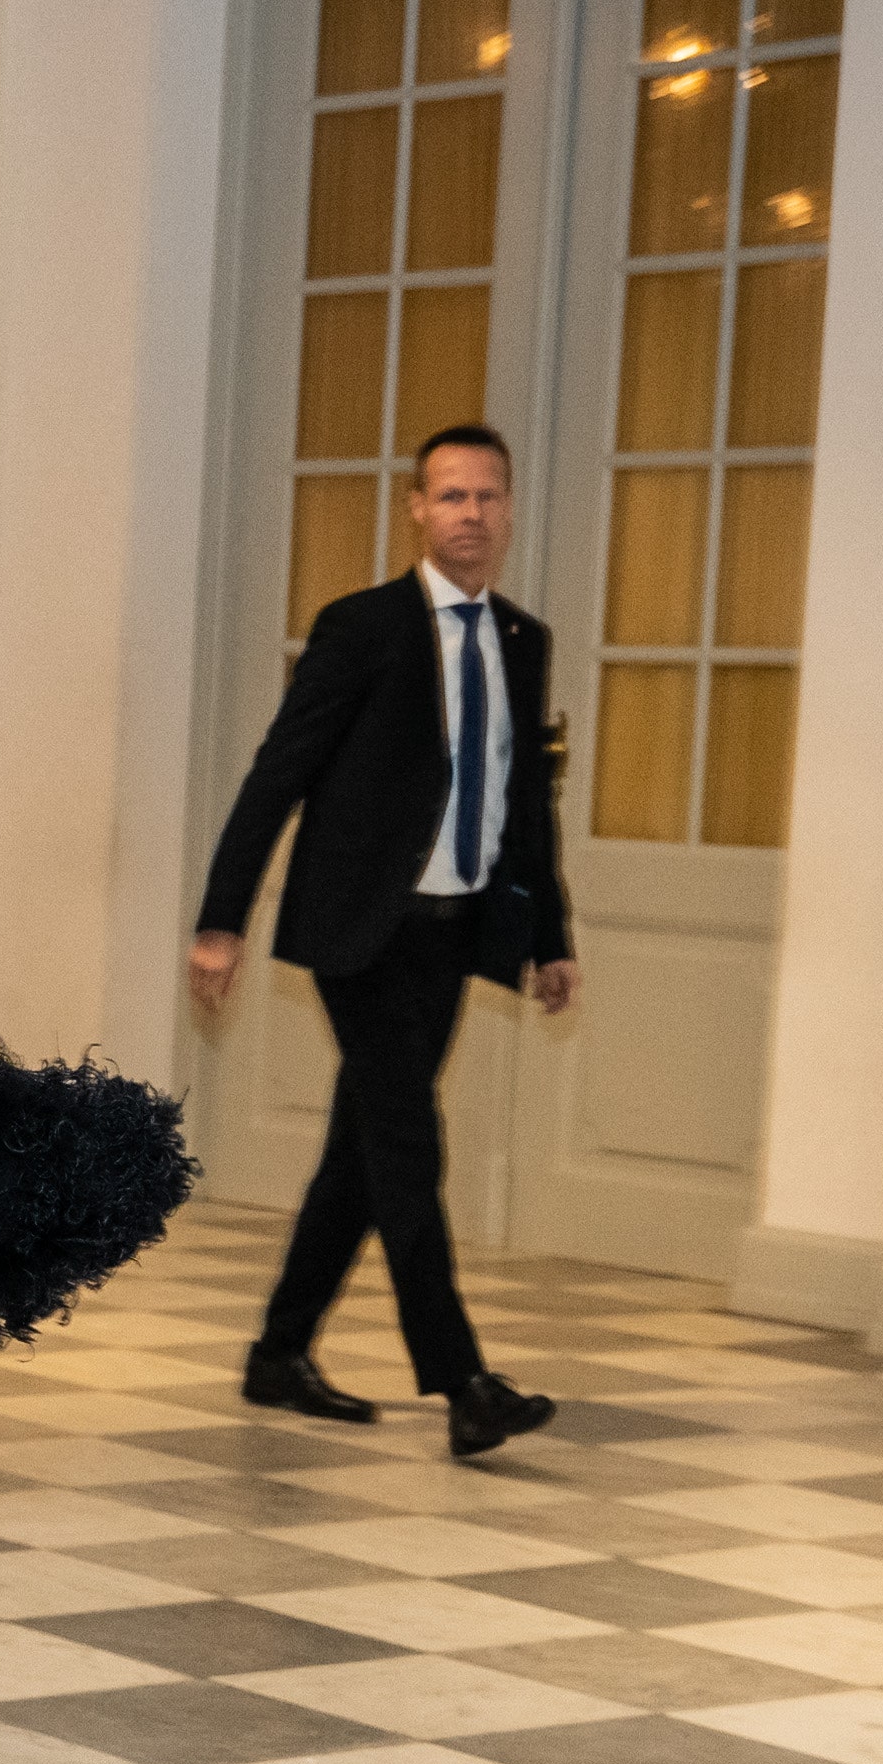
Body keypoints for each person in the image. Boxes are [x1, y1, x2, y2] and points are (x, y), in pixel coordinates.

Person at [189, 422, 578, 1461]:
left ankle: (279, 1351)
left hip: (454, 939)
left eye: (489, 497)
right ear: (416, 508)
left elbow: (527, 805)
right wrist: (222, 919)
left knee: (362, 1155)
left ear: (508, 509)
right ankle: (462, 1383)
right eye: (451, 496)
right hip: (363, 931)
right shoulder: (360, 627)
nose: (471, 516)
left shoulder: (522, 642)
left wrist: (550, 937)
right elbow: (280, 773)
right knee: (410, 1148)